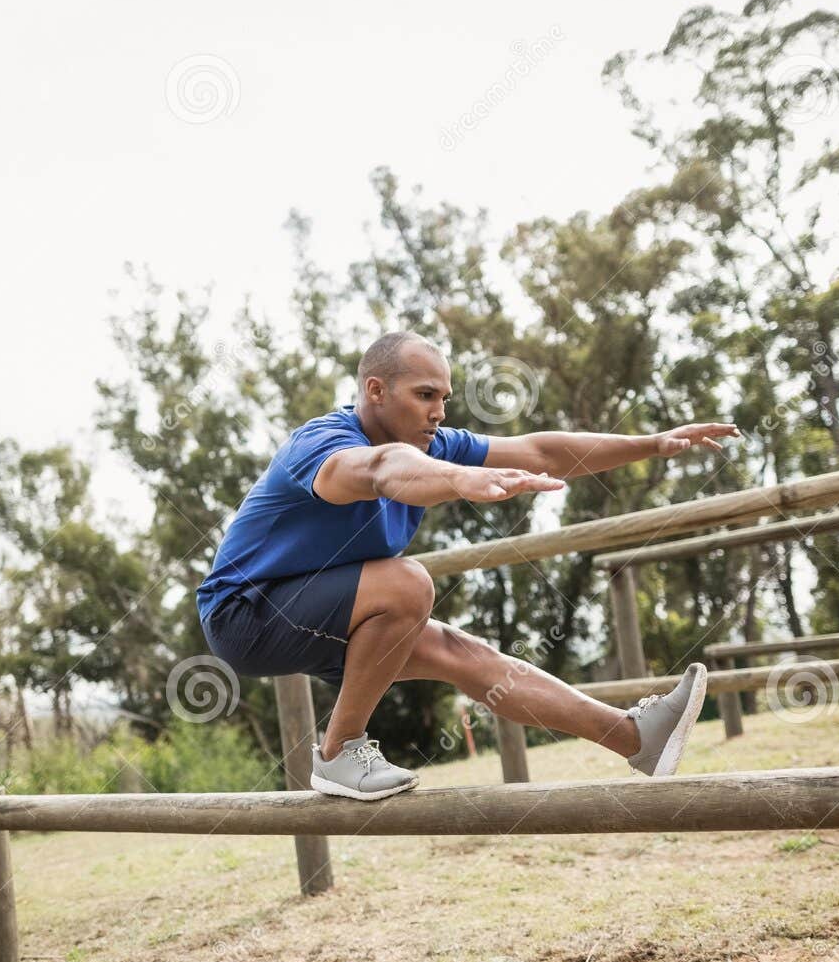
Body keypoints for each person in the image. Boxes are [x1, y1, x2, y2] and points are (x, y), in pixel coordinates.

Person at [197, 331, 738, 801]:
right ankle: (340, 752)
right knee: (408, 584)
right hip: (244, 615)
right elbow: (383, 469)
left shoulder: (435, 444)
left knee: (462, 652)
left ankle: (637, 739)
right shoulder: (323, 443)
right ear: (375, 391)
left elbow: (541, 451)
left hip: (324, 614)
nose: (438, 412)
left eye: (445, 398)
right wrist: (458, 480)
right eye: (425, 395)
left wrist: (650, 444)